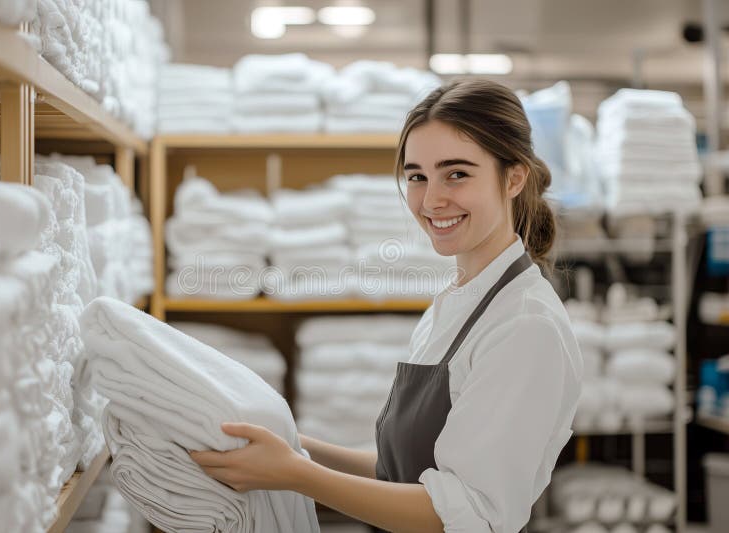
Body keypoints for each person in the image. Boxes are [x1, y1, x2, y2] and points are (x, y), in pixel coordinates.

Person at [190, 79, 583, 533]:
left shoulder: (525, 327)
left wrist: (294, 473)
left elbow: (466, 514)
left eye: (456, 173)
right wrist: (290, 444)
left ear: (514, 177)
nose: (432, 200)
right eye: (417, 176)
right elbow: (402, 471)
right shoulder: (455, 303)